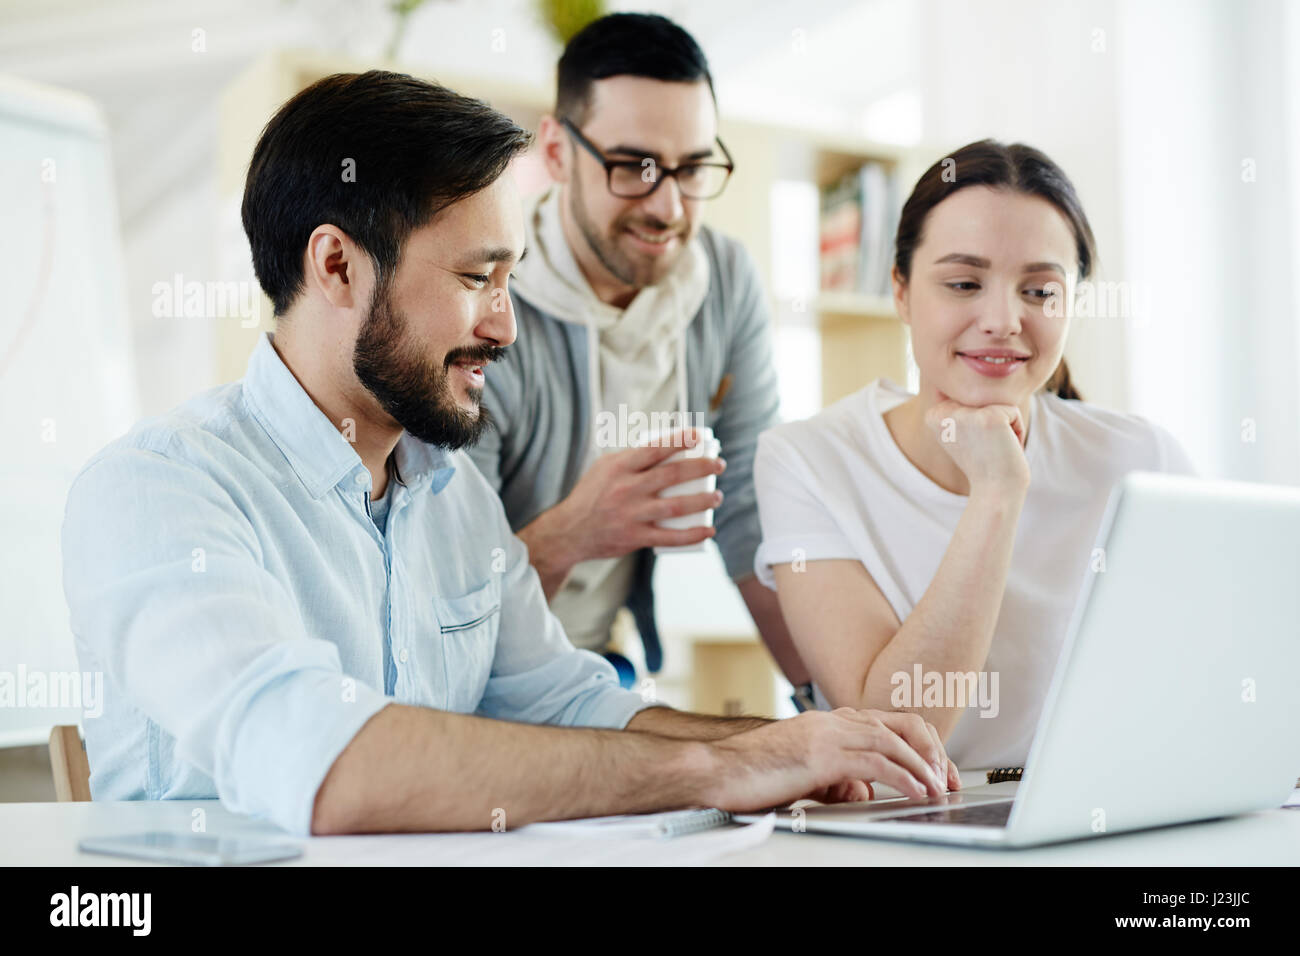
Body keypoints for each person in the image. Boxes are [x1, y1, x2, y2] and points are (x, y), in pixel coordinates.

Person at [60, 70, 957, 838]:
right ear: (335, 267)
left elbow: (573, 706)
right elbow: (327, 766)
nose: (506, 324)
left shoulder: (450, 494)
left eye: (511, 278)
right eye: (474, 278)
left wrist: (792, 747)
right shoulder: (160, 492)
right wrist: (711, 774)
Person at [754, 139, 1195, 769]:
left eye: (1040, 292)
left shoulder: (1141, 458)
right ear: (901, 291)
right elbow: (898, 730)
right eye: (964, 283)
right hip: (910, 826)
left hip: (1102, 812)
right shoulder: (807, 460)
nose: (1003, 319)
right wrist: (996, 492)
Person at [466, 13, 809, 689]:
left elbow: (750, 511)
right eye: (635, 168)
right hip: (476, 680)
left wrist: (827, 702)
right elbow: (441, 599)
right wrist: (574, 531)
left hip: (603, 669)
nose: (669, 208)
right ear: (558, 153)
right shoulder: (482, 304)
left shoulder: (724, 281)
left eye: (692, 169)